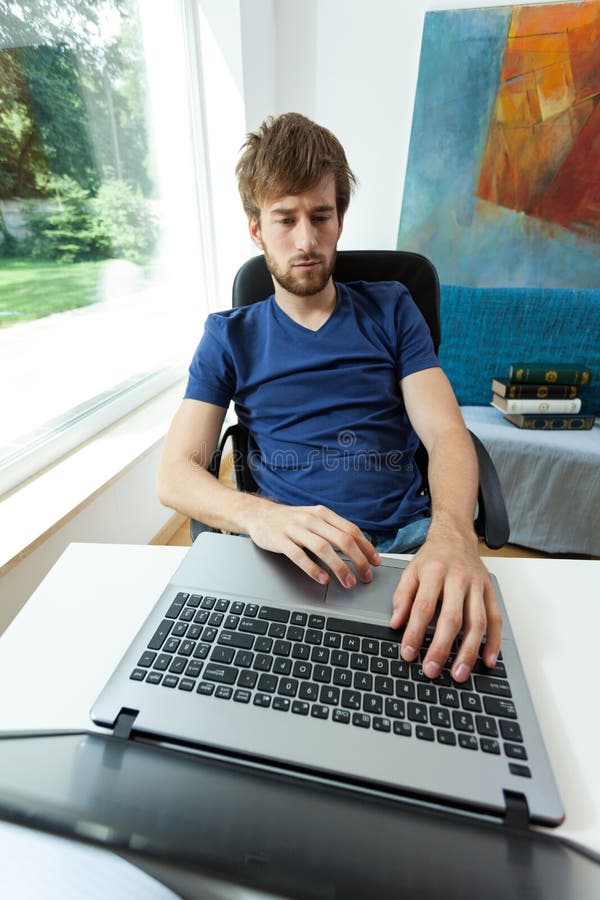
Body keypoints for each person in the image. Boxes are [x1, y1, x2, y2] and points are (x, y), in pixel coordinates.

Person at [158, 112, 502, 683]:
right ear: (255, 229)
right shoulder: (229, 336)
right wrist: (258, 517)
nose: (306, 241)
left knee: (460, 682)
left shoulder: (393, 307)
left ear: (340, 218)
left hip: (408, 547)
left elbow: (445, 432)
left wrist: (453, 535)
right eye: (284, 220)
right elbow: (175, 473)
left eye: (321, 216)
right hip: (290, 559)